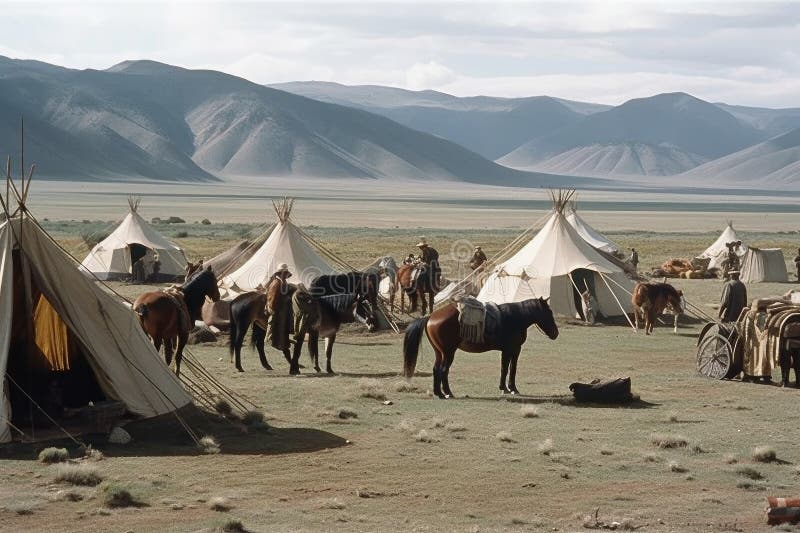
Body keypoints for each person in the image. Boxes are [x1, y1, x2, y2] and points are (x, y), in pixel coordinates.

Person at [266, 263, 295, 360]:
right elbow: (273, 298)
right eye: (285, 273)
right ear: (281, 273)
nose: (286, 275)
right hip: (280, 312)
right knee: (280, 332)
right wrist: (274, 310)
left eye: (286, 273)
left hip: (285, 310)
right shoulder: (276, 283)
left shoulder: (282, 282)